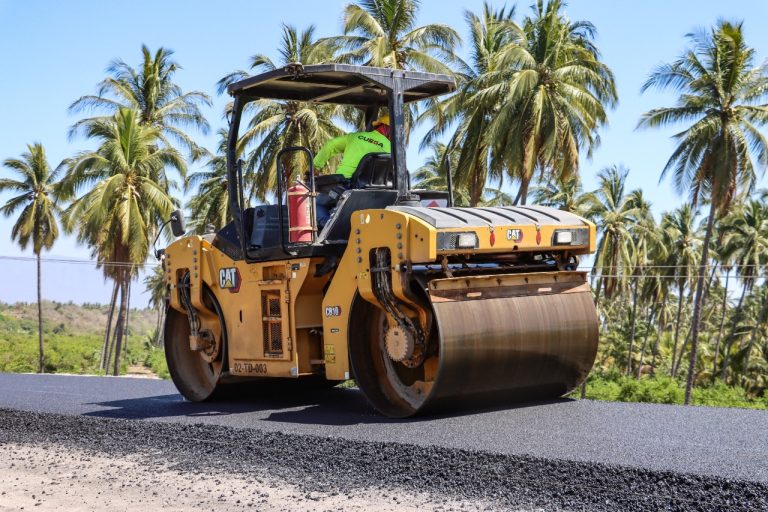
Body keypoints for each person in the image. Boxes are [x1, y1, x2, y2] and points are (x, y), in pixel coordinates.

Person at [312, 115, 392, 226]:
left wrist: (315, 166)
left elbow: (330, 145)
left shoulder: (355, 137)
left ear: (380, 126)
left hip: (344, 184)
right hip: (375, 190)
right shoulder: (391, 148)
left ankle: (330, 228)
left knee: (315, 204)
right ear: (386, 128)